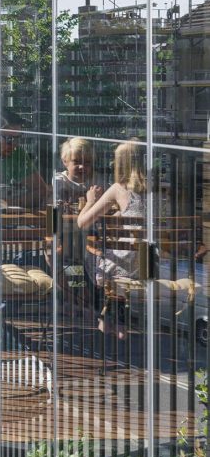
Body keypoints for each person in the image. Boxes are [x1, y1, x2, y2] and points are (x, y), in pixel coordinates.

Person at [77, 140, 147, 335]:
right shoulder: (157, 188)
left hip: (124, 264)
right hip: (148, 261)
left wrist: (90, 201)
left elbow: (82, 222)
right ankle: (119, 326)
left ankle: (101, 320)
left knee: (87, 257)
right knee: (115, 266)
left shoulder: (119, 188)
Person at [0, 106, 48, 208]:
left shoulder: (17, 153)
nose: (14, 145)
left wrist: (5, 203)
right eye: (9, 139)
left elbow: (41, 190)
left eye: (18, 138)